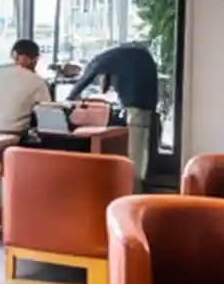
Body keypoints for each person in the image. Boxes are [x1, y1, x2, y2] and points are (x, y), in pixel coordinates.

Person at [67, 43, 159, 187]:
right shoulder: (125, 56)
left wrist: (69, 98)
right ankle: (138, 183)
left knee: (135, 149)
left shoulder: (98, 61)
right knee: (142, 146)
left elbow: (86, 78)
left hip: (135, 102)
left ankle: (133, 187)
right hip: (146, 100)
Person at [0, 39, 51, 134]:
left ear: (13, 55)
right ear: (36, 59)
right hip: (10, 133)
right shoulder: (36, 81)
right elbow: (47, 114)